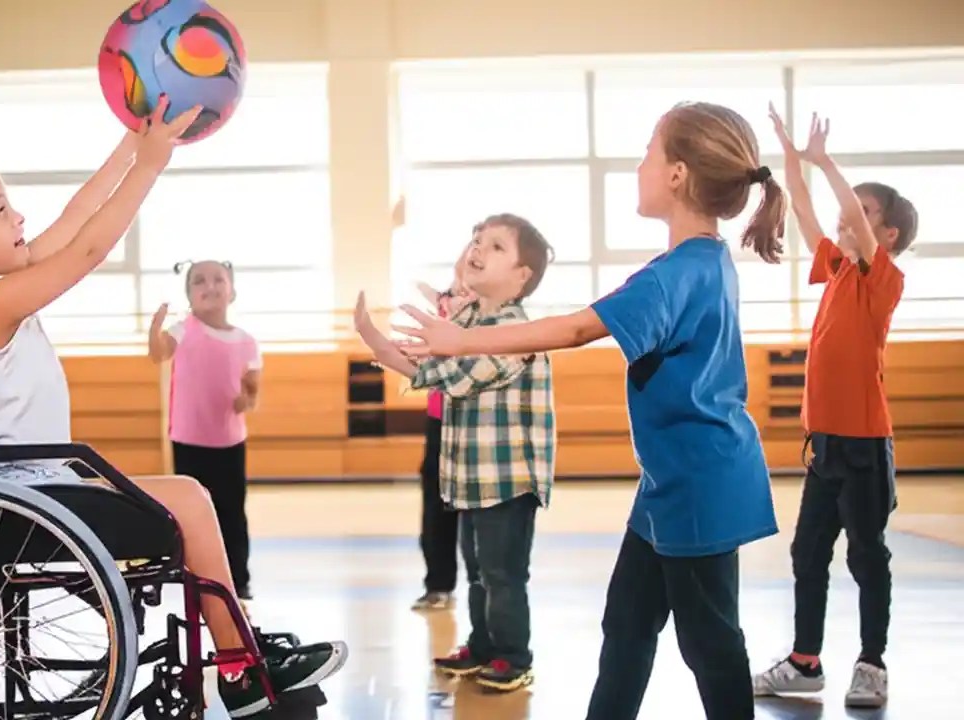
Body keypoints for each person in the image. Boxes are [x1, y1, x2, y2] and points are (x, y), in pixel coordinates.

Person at [0, 102, 347, 719]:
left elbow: (74, 220)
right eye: (0, 210)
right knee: (192, 500)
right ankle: (240, 669)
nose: (19, 217)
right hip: (30, 499)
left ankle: (240, 651)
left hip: (29, 489)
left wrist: (130, 144)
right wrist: (149, 167)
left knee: (184, 500)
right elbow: (88, 249)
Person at [390, 102, 785, 720]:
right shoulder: (705, 260)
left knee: (709, 642)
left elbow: (575, 329)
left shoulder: (676, 275)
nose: (639, 164)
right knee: (627, 624)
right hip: (669, 486)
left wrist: (462, 339)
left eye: (650, 151)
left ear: (677, 174)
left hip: (699, 486)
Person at [751, 107, 917, 709]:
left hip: (866, 447)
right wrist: (793, 158)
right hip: (823, 446)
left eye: (865, 215)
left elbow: (841, 211)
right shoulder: (839, 268)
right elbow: (804, 209)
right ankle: (805, 662)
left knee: (867, 556)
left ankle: (871, 663)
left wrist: (826, 162)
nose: (850, 220)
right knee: (808, 553)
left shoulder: (882, 279)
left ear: (887, 236)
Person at [355, 213, 557, 693]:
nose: (478, 248)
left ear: (522, 276)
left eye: (496, 246)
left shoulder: (514, 334)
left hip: (507, 480)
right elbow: (430, 362)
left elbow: (452, 376)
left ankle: (513, 654)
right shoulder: (467, 319)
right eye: (476, 239)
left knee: (503, 573)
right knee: (478, 569)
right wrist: (380, 344)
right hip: (472, 478)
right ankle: (483, 644)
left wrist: (384, 347)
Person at [148, 259, 259, 602]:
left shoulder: (246, 341)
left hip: (229, 441)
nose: (209, 286)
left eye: (218, 280)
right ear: (190, 296)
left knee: (231, 512)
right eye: (199, 281)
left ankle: (238, 580)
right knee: (190, 514)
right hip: (189, 440)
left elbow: (252, 386)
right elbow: (159, 353)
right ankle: (192, 576)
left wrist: (246, 398)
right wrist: (155, 330)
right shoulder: (185, 329)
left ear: (232, 291)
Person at [407, 249, 473, 612]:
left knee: (477, 512)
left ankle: (481, 589)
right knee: (435, 503)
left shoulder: (491, 311)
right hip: (440, 419)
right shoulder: (446, 305)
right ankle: (438, 584)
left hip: (478, 420)